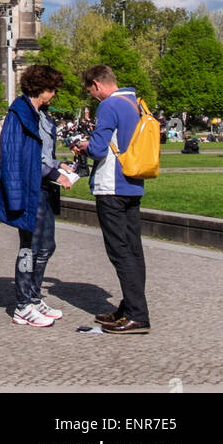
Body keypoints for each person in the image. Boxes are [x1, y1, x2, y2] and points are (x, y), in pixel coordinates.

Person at [0, 64, 72, 328]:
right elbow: (15, 157)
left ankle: (34, 296)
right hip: (29, 189)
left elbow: (42, 155)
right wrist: (53, 174)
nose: (54, 94)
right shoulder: (19, 115)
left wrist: (59, 165)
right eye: (52, 89)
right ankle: (22, 304)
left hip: (42, 189)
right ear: (41, 88)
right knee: (30, 248)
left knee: (46, 246)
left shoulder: (40, 115)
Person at [79, 65, 150, 335]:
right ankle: (130, 305)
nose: (93, 97)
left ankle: (137, 314)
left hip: (112, 185)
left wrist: (84, 146)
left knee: (119, 251)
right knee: (133, 249)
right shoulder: (136, 103)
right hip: (133, 182)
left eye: (91, 91)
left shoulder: (109, 106)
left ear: (97, 84)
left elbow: (98, 149)